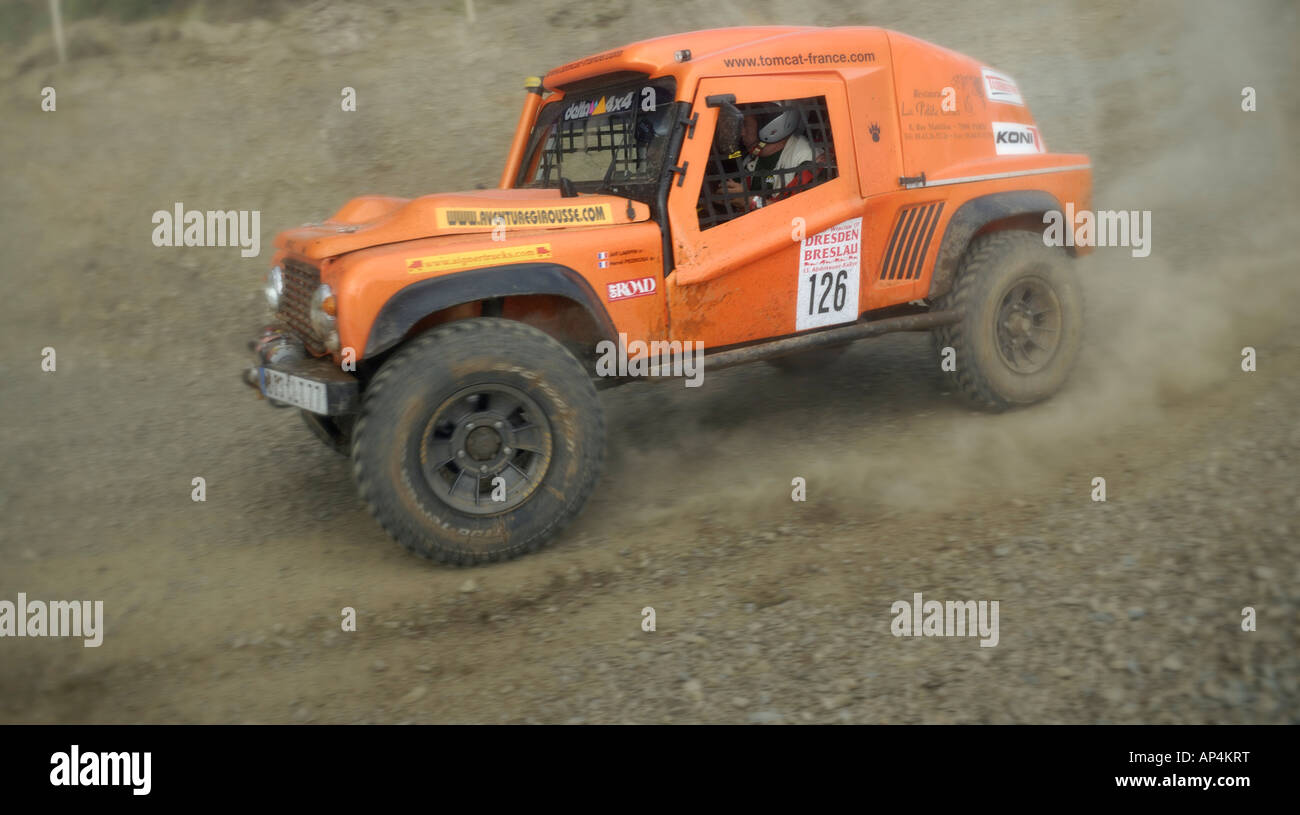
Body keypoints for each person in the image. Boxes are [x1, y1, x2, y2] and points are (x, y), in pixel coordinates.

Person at [722, 104, 821, 211]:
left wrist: (750, 201)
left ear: (771, 126)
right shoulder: (749, 153)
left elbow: (799, 213)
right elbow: (728, 190)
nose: (741, 132)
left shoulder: (808, 160)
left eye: (745, 124)